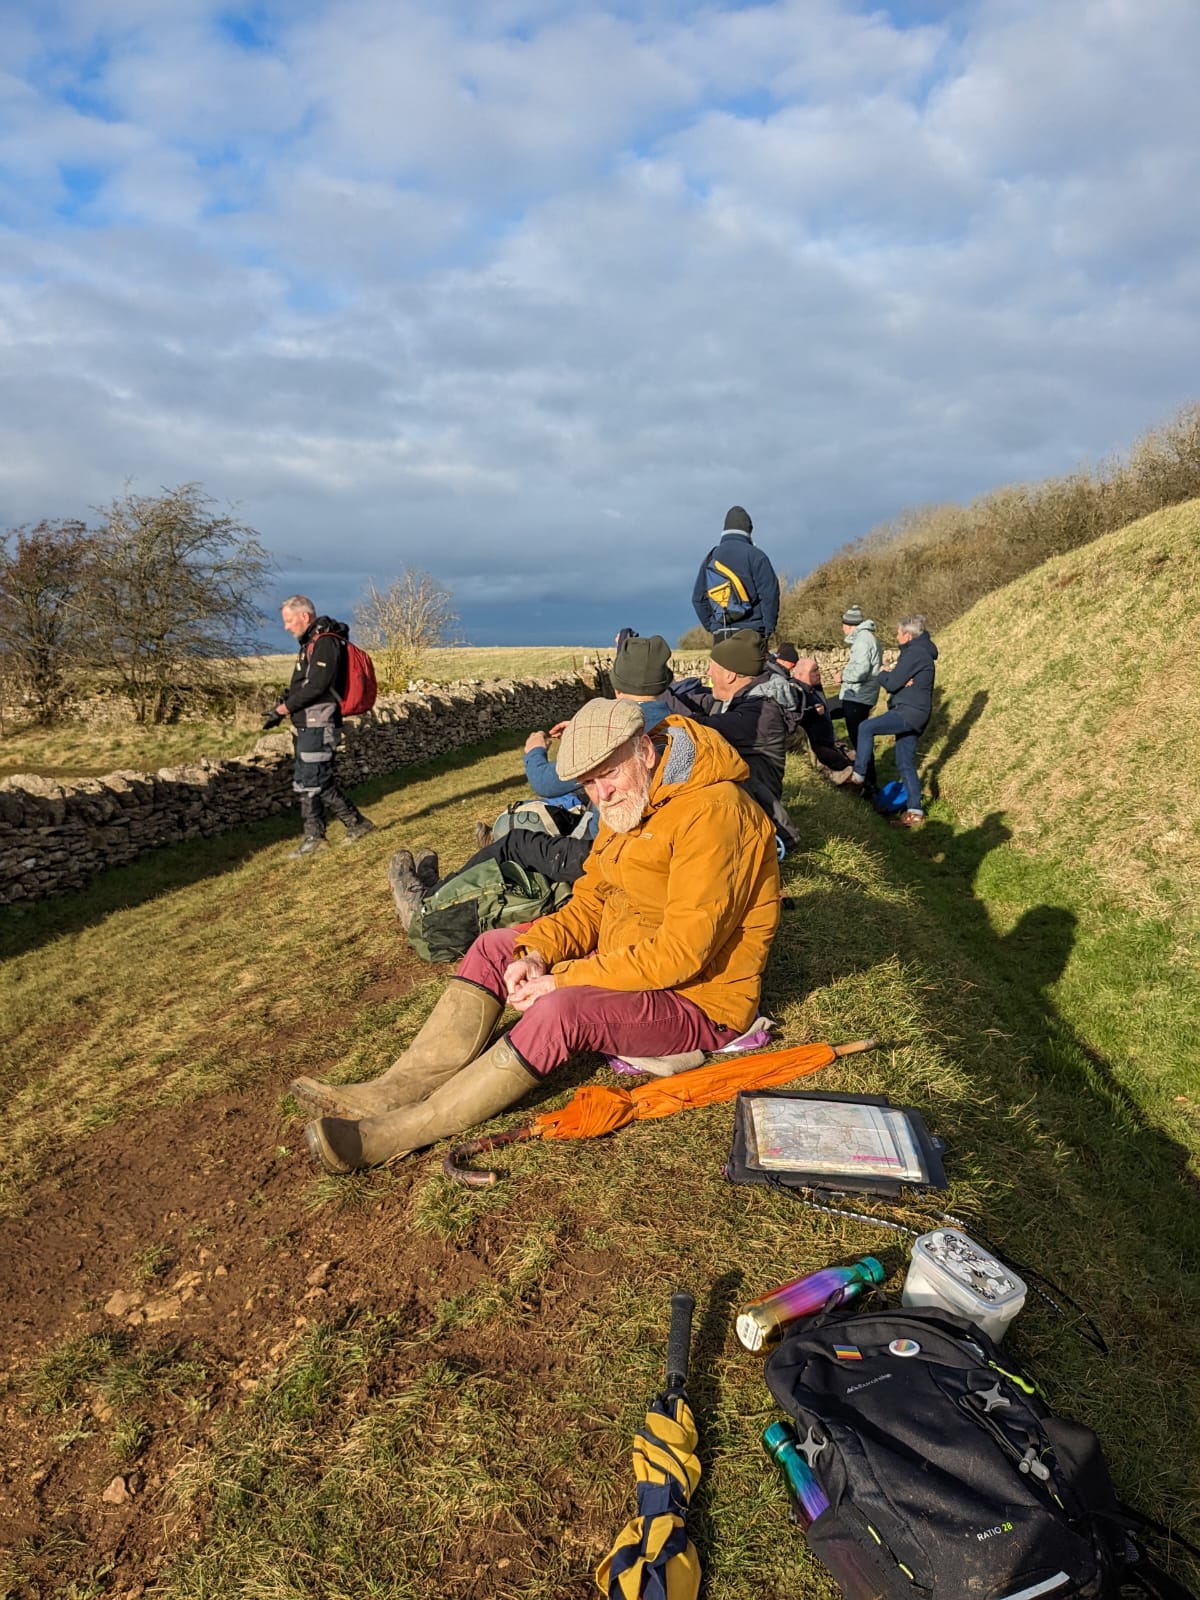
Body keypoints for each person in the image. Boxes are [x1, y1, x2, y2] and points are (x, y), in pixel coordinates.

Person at [295, 697, 781, 1170]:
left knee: (560, 1009)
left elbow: (682, 955)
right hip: (630, 959)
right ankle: (397, 1087)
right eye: (588, 783)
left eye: (608, 773)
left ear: (646, 752)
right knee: (494, 947)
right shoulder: (631, 801)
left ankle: (405, 1129)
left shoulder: (715, 813)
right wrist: (537, 952)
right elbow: (592, 900)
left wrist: (562, 978)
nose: (601, 794)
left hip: (699, 1000)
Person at [383, 636, 679, 931]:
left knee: (518, 843)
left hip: (601, 852)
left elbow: (546, 783)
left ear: (616, 686)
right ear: (664, 683)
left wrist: (535, 751)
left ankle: (426, 904)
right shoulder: (678, 724)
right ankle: (451, 882)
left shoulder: (620, 730)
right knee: (557, 816)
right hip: (632, 841)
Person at [663, 629, 800, 850]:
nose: (708, 672)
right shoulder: (749, 697)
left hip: (756, 800)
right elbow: (704, 705)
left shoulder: (761, 712)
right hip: (750, 794)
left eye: (713, 668)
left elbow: (702, 729)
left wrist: (655, 699)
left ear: (730, 675)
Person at [267, 595, 375, 858]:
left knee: (316, 780)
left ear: (305, 616)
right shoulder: (310, 643)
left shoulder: (325, 643)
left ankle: (355, 824)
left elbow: (318, 686)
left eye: (289, 620)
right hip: (308, 723)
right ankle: (316, 836)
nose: (286, 627)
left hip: (320, 722)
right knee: (305, 781)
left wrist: (283, 709)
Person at [828, 614, 938, 828]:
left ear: (907, 636)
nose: (896, 636)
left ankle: (858, 776)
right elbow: (899, 681)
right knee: (904, 763)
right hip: (916, 712)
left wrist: (883, 672)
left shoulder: (915, 653)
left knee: (866, 727)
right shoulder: (920, 652)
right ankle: (915, 812)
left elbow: (892, 684)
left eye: (898, 633)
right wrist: (896, 676)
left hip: (909, 712)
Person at [691, 506, 780, 641]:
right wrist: (767, 629)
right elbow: (770, 596)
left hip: (721, 634)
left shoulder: (711, 557)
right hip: (752, 633)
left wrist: (713, 626)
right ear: (748, 530)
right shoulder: (757, 556)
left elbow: (698, 599)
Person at [825, 605, 882, 786]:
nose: (842, 628)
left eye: (843, 624)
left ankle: (868, 783)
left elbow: (861, 671)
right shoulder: (866, 638)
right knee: (827, 711)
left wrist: (843, 676)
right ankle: (865, 778)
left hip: (858, 697)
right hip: (857, 696)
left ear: (849, 625)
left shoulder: (863, 641)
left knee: (860, 741)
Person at [789, 657, 854, 775]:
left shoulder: (815, 689)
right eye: (814, 671)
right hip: (815, 747)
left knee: (858, 761)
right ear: (800, 674)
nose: (818, 673)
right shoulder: (795, 691)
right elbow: (794, 718)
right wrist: (812, 712)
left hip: (830, 742)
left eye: (818, 669)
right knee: (847, 769)